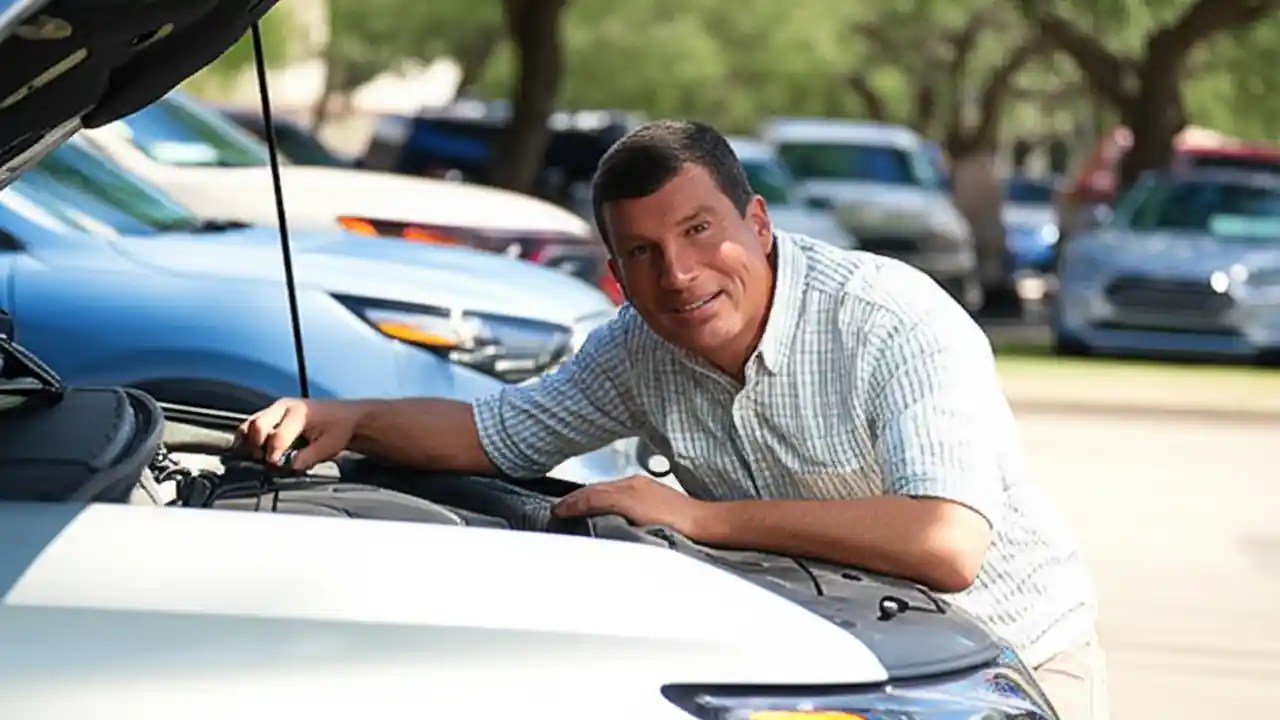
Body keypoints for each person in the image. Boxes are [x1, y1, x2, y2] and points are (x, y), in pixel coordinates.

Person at [238, 120, 1107, 719]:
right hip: (826, 659)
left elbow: (945, 543)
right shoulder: (637, 348)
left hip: (1000, 663)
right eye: (644, 254)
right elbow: (489, 434)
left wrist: (699, 520)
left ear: (758, 223)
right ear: (616, 268)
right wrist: (348, 415)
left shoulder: (888, 320)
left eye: (700, 231)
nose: (680, 274)